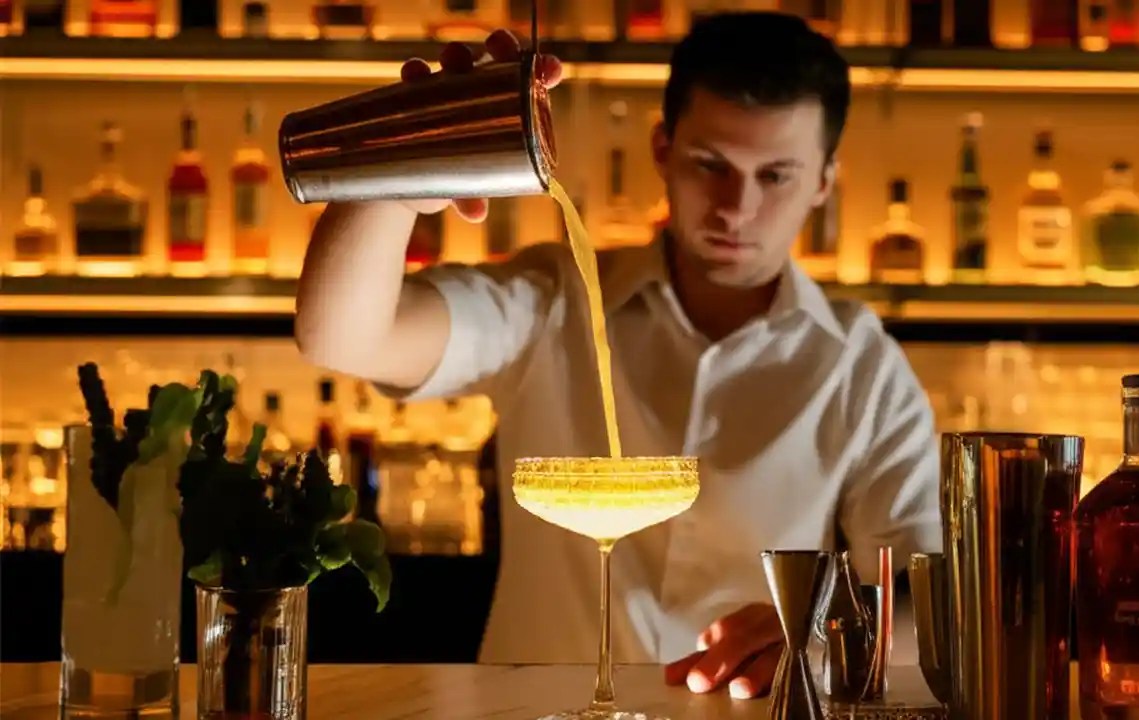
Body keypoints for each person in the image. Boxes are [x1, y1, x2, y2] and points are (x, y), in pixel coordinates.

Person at [295, 11, 942, 701]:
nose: (736, 207)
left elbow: (928, 604)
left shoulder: (861, 368)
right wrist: (401, 168)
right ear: (663, 149)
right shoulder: (554, 298)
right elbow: (344, 337)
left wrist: (831, 631)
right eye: (710, 164)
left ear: (823, 182)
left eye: (776, 175)